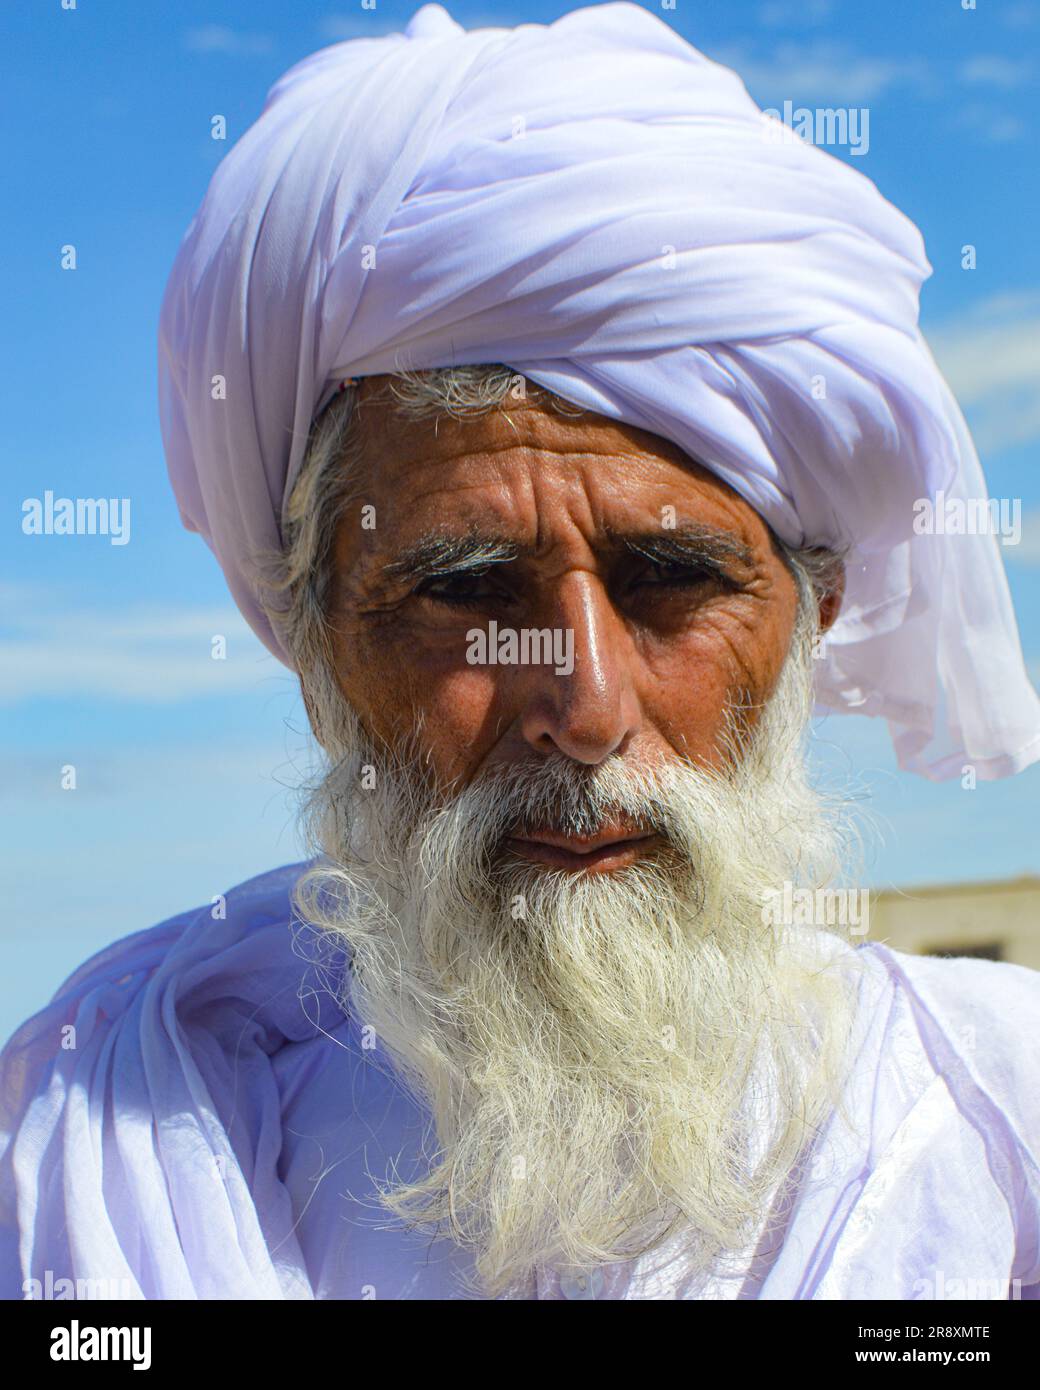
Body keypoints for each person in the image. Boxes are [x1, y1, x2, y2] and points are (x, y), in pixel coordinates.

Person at [2, 3, 1038, 1301]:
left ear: (812, 612)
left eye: (673, 580)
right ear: (318, 647)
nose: (586, 706)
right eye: (462, 588)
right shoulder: (101, 1137)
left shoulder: (1003, 1132)